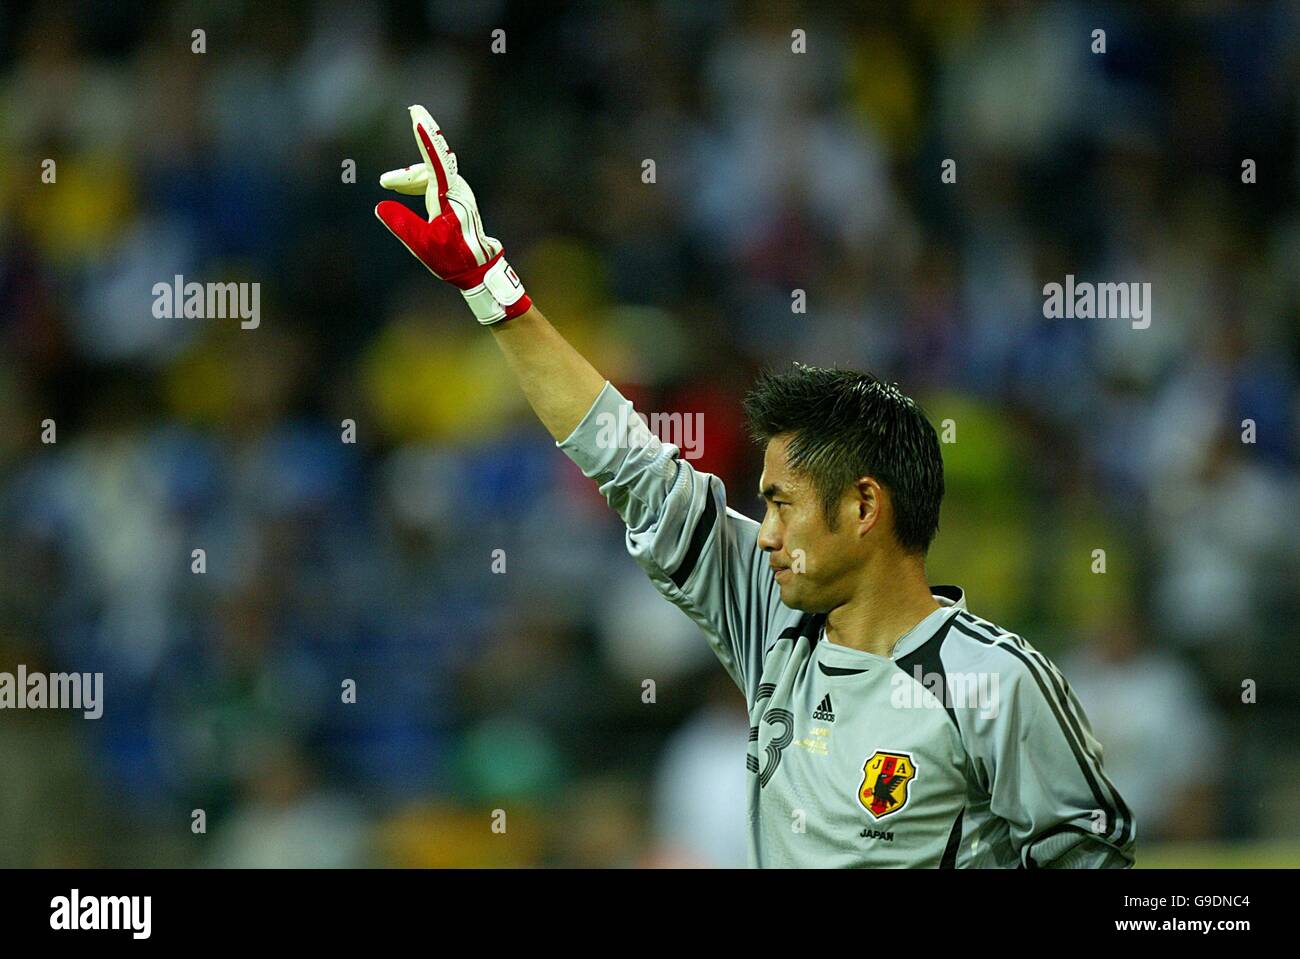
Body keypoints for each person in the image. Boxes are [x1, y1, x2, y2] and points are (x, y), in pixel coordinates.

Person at [374, 106, 1136, 868]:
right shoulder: (770, 620)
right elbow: (632, 463)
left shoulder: (994, 682)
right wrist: (492, 290)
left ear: (864, 506)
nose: (764, 532)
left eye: (781, 505)